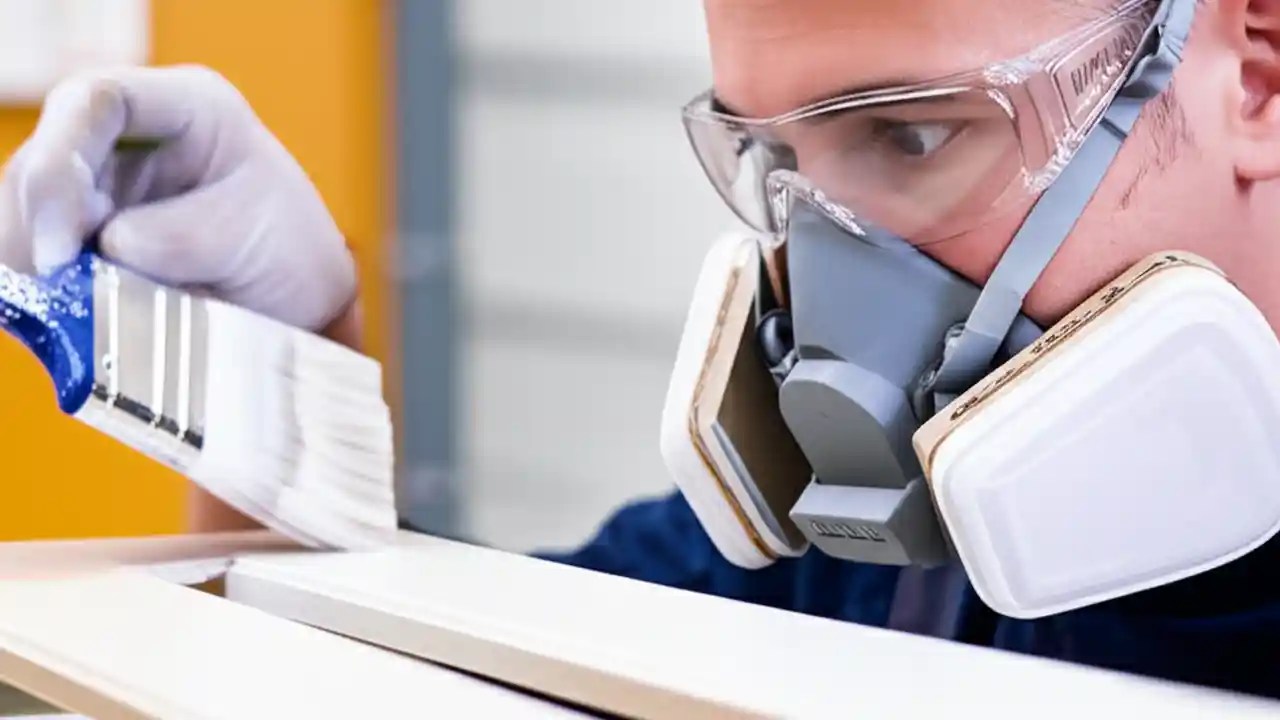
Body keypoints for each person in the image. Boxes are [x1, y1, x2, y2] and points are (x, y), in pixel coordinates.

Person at [3, 0, 1279, 700]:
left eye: (906, 139)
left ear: (1254, 66)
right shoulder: (864, 572)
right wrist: (272, 382)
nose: (829, 277)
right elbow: (391, 685)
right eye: (778, 161)